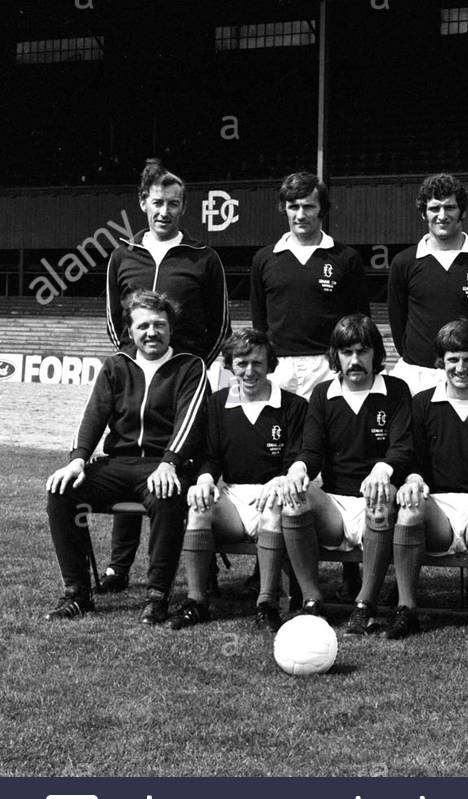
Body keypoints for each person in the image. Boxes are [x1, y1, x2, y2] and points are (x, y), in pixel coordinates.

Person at [102, 158, 229, 594]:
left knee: (186, 466)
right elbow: (114, 325)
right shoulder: (122, 255)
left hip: (187, 383)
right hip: (136, 378)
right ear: (142, 203)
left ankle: (202, 566)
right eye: (157, 202)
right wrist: (132, 368)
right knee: (127, 453)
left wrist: (191, 370)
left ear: (183, 208)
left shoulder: (203, 258)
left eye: (174, 204)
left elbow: (222, 325)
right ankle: (119, 568)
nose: (165, 211)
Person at [46, 290, 207, 623]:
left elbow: (189, 420)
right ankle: (77, 594)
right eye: (144, 326)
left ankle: (157, 596)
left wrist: (169, 463)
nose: (152, 332)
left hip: (162, 465)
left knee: (168, 494)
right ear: (130, 331)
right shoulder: (116, 365)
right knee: (61, 491)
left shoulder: (190, 366)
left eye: (160, 325)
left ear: (170, 328)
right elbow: (94, 415)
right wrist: (77, 459)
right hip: (118, 464)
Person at [250, 171, 370, 599]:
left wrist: (338, 362)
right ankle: (274, 555)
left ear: (323, 209)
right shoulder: (266, 258)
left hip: (328, 367)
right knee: (282, 455)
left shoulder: (345, 258)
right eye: (294, 206)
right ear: (284, 209)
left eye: (309, 206)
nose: (301, 214)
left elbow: (358, 321)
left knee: (333, 453)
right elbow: (261, 324)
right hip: (282, 370)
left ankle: (350, 563)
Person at [279, 314, 413, 632]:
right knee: (294, 497)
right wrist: (298, 468)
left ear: (375, 354)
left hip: (376, 500)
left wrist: (382, 471)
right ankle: (312, 602)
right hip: (335, 505)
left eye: (362, 351)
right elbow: (311, 451)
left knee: (381, 496)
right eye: (346, 352)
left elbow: (403, 448)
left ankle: (364, 605)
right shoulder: (323, 394)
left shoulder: (395, 390)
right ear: (335, 356)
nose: (354, 360)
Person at [170, 329, 308, 631]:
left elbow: (298, 458)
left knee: (274, 509)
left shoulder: (294, 406)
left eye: (257, 363)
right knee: (198, 506)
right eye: (241, 362)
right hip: (232, 496)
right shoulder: (218, 403)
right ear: (230, 365)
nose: (249, 371)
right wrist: (205, 479)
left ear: (270, 364)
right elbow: (212, 456)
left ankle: (266, 604)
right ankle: (197, 601)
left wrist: (281, 480)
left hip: (273, 494)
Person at [394, 318, 468, 643]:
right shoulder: (421, 403)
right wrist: (414, 478)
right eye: (452, 360)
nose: (460, 367)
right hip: (438, 508)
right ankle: (406, 609)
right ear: (441, 362)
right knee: (408, 506)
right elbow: (411, 456)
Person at [387, 173, 468, 395]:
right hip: (418, 376)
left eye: (449, 207)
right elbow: (398, 323)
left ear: (462, 211)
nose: (442, 215)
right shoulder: (404, 262)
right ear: (424, 213)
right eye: (434, 208)